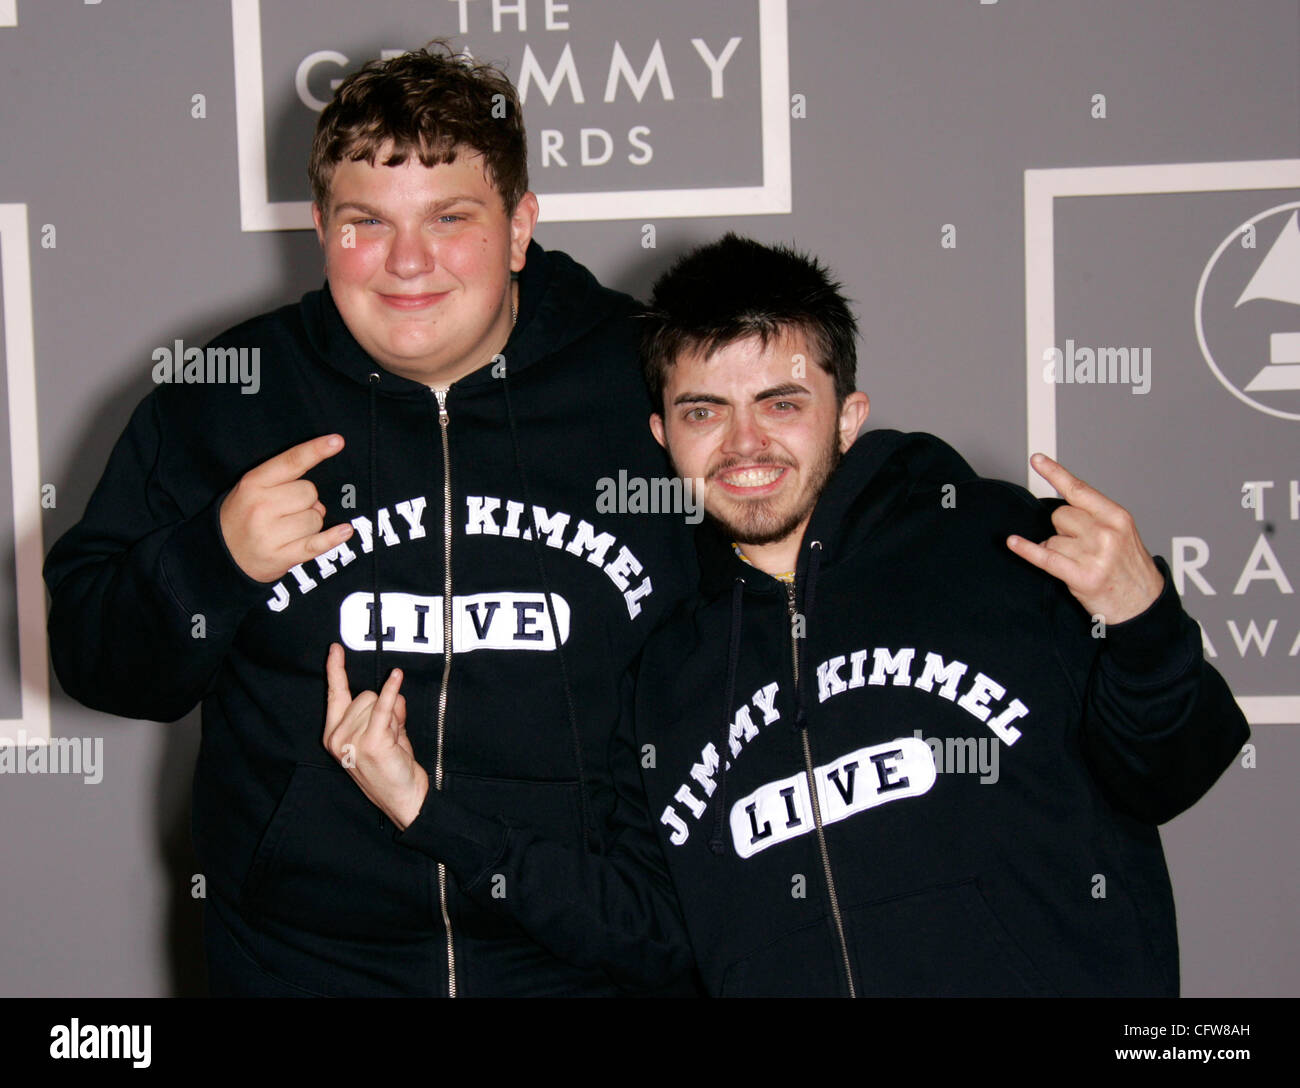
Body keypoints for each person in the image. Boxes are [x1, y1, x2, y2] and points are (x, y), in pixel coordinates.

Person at [43, 43, 697, 997]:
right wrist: (212, 557)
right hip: (303, 964)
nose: (406, 263)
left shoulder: (649, 378)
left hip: (584, 959)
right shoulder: (229, 396)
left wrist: (975, 549)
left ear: (520, 228)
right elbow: (97, 660)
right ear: (319, 228)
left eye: (450, 218)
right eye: (365, 222)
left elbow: (801, 527)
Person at [631, 233, 1250, 997]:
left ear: (848, 417)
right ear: (663, 435)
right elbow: (659, 937)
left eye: (781, 403)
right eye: (704, 412)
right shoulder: (663, 670)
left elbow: (1175, 772)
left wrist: (1140, 618)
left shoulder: (1006, 547)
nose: (745, 442)